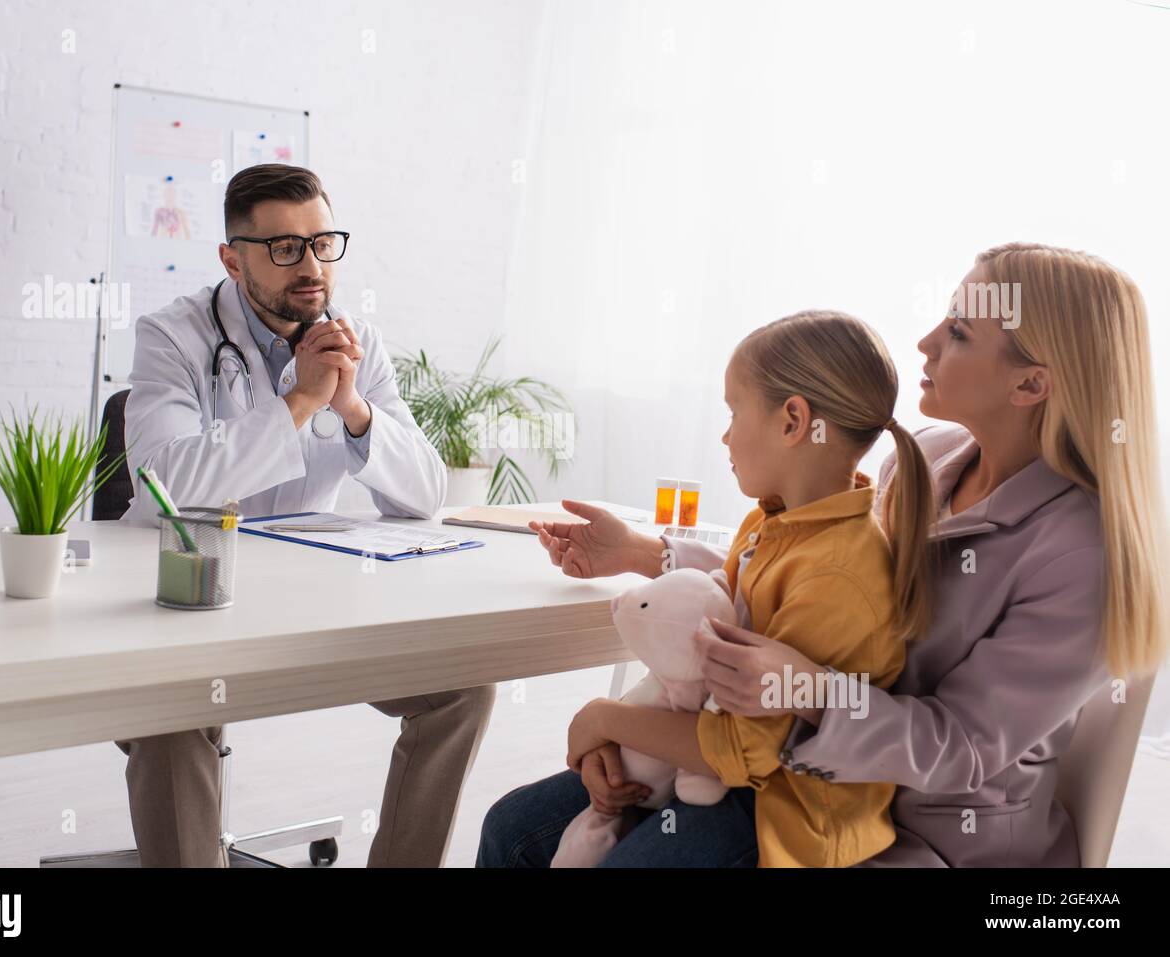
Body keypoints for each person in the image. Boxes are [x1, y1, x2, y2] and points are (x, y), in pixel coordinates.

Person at [485, 243, 1168, 867]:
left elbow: (958, 746)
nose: (926, 343)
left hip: (925, 841)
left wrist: (810, 690)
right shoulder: (926, 458)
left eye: (959, 333)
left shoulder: (1081, 556)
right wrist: (650, 553)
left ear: (1031, 386)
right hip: (796, 785)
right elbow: (809, 558)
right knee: (512, 830)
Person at [117, 163, 495, 867]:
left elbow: (425, 493)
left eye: (323, 242)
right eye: (285, 248)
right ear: (233, 259)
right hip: (188, 600)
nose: (312, 265)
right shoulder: (173, 336)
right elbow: (164, 482)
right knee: (171, 720)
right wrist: (299, 403)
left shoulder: (356, 343)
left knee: (461, 685)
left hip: (306, 601)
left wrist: (352, 408)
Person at [482, 311, 930, 867]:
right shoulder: (768, 523)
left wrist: (603, 719)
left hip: (777, 808)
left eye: (733, 410)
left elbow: (745, 749)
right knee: (509, 827)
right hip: (708, 766)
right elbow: (690, 664)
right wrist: (620, 738)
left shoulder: (838, 574)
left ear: (793, 421)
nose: (724, 433)